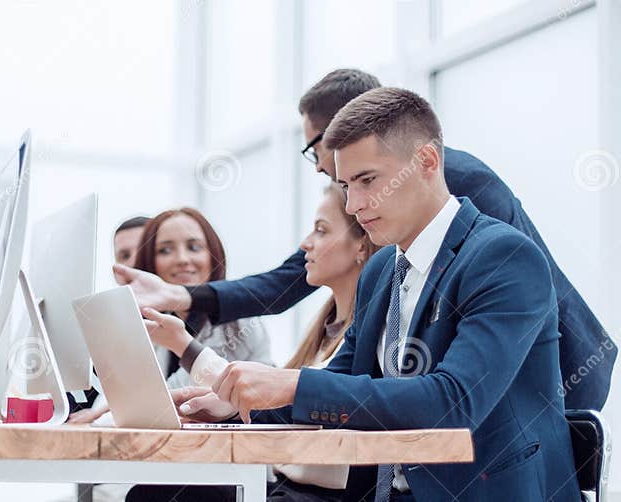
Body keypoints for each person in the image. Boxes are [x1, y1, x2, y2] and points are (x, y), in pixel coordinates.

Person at [114, 68, 615, 412]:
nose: (329, 178)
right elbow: (295, 286)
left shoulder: (470, 199)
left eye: (318, 149)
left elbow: (475, 356)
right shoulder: (383, 256)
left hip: (559, 380)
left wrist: (289, 385)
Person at [177, 88, 581, 502]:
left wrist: (290, 385)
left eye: (368, 180)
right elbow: (344, 382)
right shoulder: (381, 270)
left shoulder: (504, 257)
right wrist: (242, 404)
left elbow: (451, 403)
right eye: (346, 185)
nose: (353, 205)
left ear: (426, 162)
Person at [129, 187, 379, 502]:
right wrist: (229, 409)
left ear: (362, 244)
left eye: (321, 230)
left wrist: (185, 347)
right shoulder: (321, 332)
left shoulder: (362, 337)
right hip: (282, 483)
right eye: (165, 250)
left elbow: (306, 404)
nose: (304, 245)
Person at [70, 208, 271, 424]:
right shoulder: (158, 320)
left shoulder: (238, 324)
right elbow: (134, 394)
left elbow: (169, 400)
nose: (182, 259)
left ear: (214, 254)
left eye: (194, 247)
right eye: (165, 251)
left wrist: (97, 418)